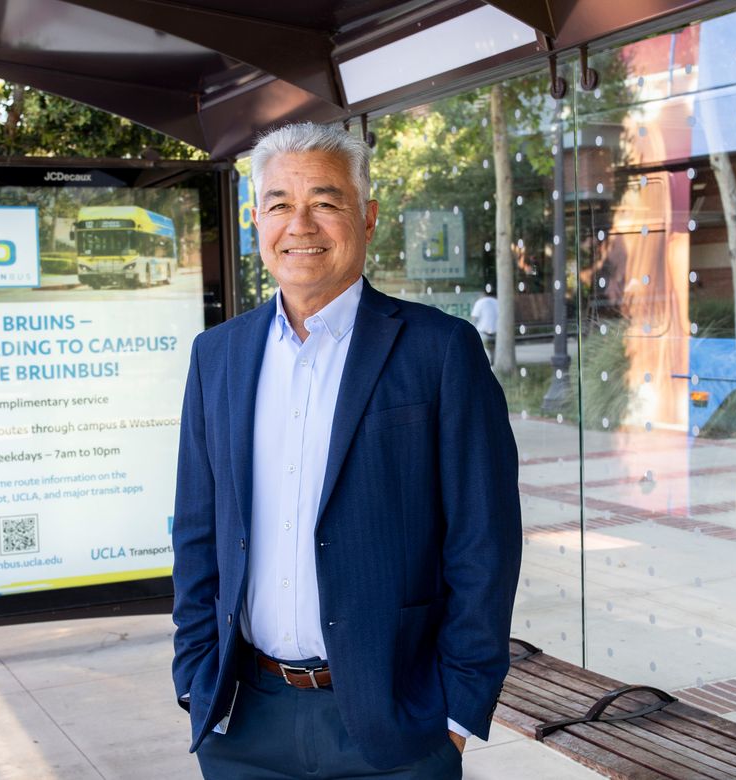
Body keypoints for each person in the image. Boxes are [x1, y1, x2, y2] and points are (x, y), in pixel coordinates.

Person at [172, 122, 521, 779]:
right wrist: (196, 675)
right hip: (245, 721)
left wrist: (455, 715)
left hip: (395, 726)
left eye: (326, 202)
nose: (300, 224)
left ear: (368, 216)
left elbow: (484, 541)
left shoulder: (439, 352)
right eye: (279, 204)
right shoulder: (216, 356)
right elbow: (198, 529)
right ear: (256, 221)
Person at [470, 286, 498, 364]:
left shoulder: (479, 302)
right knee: (493, 351)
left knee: (483, 351)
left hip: (483, 332)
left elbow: (474, 318)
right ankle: (492, 363)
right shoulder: (496, 302)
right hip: (496, 332)